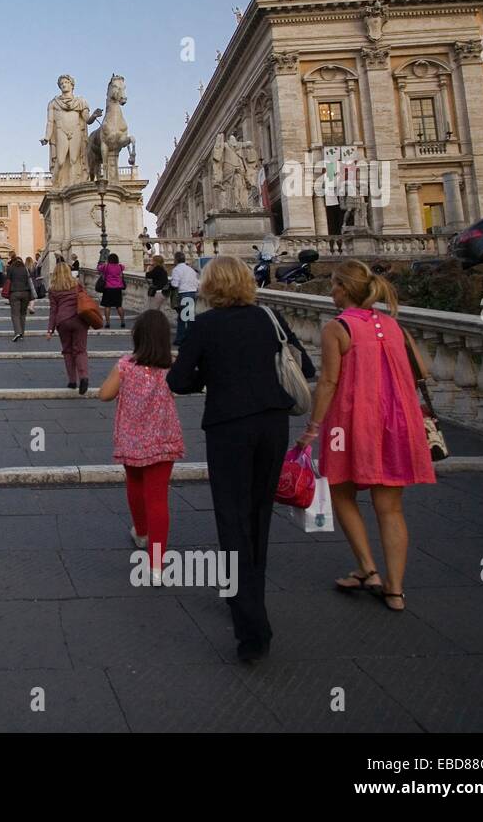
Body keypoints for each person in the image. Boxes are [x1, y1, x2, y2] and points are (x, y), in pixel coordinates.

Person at [166, 256, 303, 662]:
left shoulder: (205, 325)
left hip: (229, 427)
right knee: (260, 512)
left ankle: (252, 627)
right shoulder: (270, 317)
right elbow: (304, 365)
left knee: (231, 517)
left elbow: (178, 380)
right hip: (274, 425)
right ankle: (250, 594)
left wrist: (209, 376)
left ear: (210, 287)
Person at [297, 259, 435, 612]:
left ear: (343, 290)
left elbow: (328, 382)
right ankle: (396, 590)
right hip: (398, 421)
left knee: (343, 493)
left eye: (333, 285)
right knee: (390, 508)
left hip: (350, 423)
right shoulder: (393, 326)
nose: (331, 291)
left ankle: (367, 568)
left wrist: (313, 427)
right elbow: (424, 370)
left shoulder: (337, 327)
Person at [99, 309, 184, 582]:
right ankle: (157, 565)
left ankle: (141, 531)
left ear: (138, 336)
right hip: (163, 439)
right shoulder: (172, 367)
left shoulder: (125, 365)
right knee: (159, 498)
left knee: (135, 486)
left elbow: (105, 395)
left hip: (132, 439)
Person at [44, 260, 90, 392]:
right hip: (79, 320)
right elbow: (85, 300)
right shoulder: (77, 285)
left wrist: (50, 330)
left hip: (62, 321)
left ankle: (72, 381)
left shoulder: (53, 290)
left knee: (67, 351)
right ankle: (84, 376)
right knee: (80, 350)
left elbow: (53, 311)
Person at [170, 252, 200, 346]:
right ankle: (189, 337)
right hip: (192, 293)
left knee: (183, 318)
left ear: (176, 259)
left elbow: (175, 284)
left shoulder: (177, 270)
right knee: (188, 317)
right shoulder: (190, 269)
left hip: (184, 294)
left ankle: (181, 339)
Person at [5, 254, 33, 341]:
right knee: (23, 314)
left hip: (14, 293)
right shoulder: (25, 269)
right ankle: (22, 334)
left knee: (15, 314)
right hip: (25, 293)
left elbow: (7, 280)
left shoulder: (10, 269)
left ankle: (17, 332)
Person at [97, 252, 126, 329]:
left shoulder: (106, 266)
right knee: (119, 306)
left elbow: (98, 268)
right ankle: (122, 321)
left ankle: (107, 323)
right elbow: (123, 268)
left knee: (107, 306)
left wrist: (104, 263)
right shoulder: (120, 266)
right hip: (118, 288)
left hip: (108, 288)